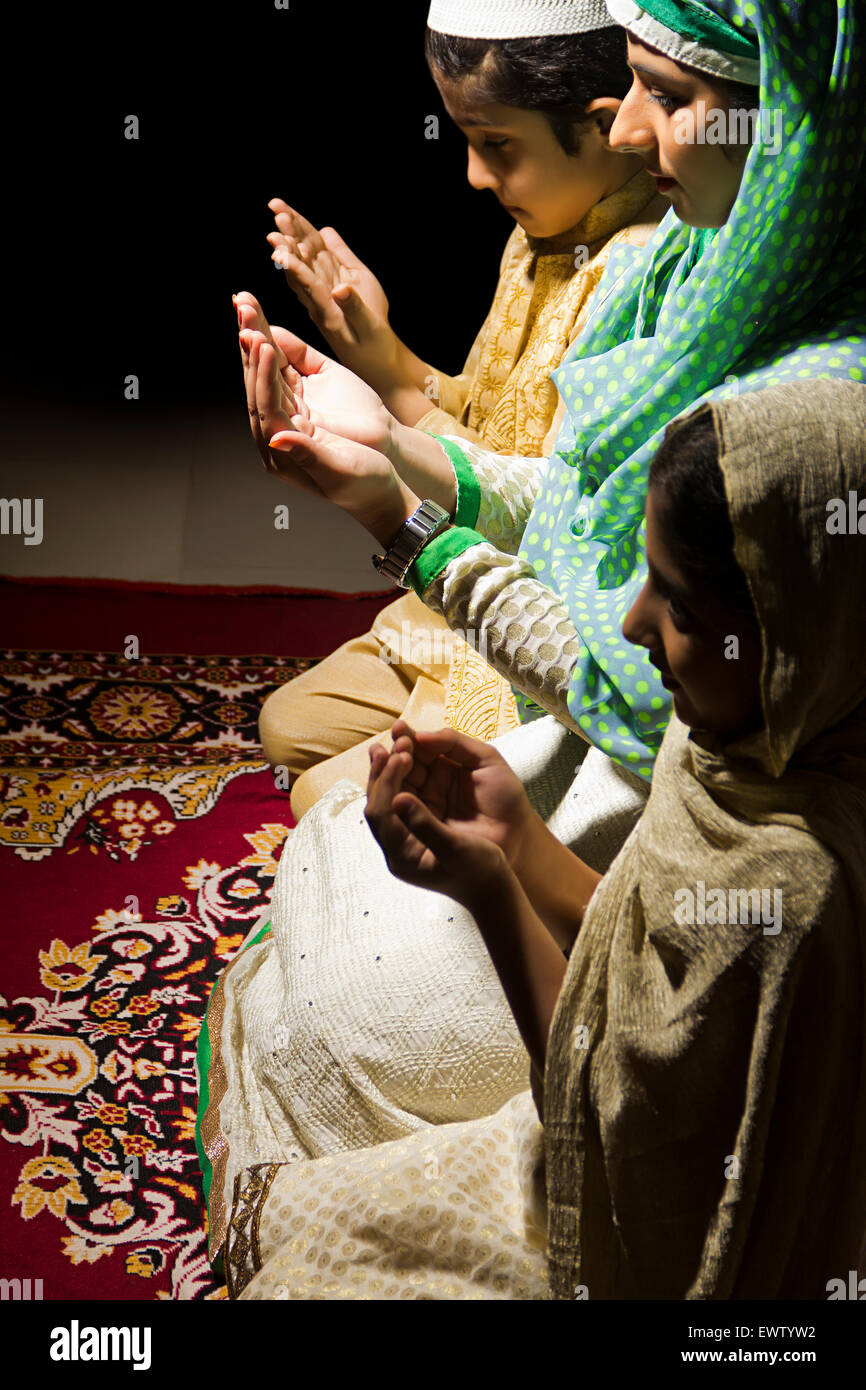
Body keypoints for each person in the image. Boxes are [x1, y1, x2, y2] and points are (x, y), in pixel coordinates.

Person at [196, 0, 866, 1278]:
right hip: (626, 779)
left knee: (367, 1008)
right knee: (343, 878)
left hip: (656, 783)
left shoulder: (809, 413)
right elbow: (560, 498)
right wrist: (389, 441)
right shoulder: (697, 256)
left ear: (789, 115)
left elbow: (643, 683)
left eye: (668, 96)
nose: (628, 129)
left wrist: (409, 520)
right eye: (631, 85)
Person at [208, 378, 866, 1299]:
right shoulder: (752, 732)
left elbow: (612, 1132)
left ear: (790, 636)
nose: (632, 626)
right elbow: (638, 948)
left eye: (676, 605)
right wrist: (517, 838)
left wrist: (489, 894)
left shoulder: (798, 889)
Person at [249, 0, 666, 821]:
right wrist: (378, 348)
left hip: (532, 621)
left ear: (604, 124)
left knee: (317, 796)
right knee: (286, 724)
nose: (474, 175)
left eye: (496, 145)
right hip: (453, 597)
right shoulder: (541, 233)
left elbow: (546, 503)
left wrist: (389, 437)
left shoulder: (644, 269)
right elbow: (490, 415)